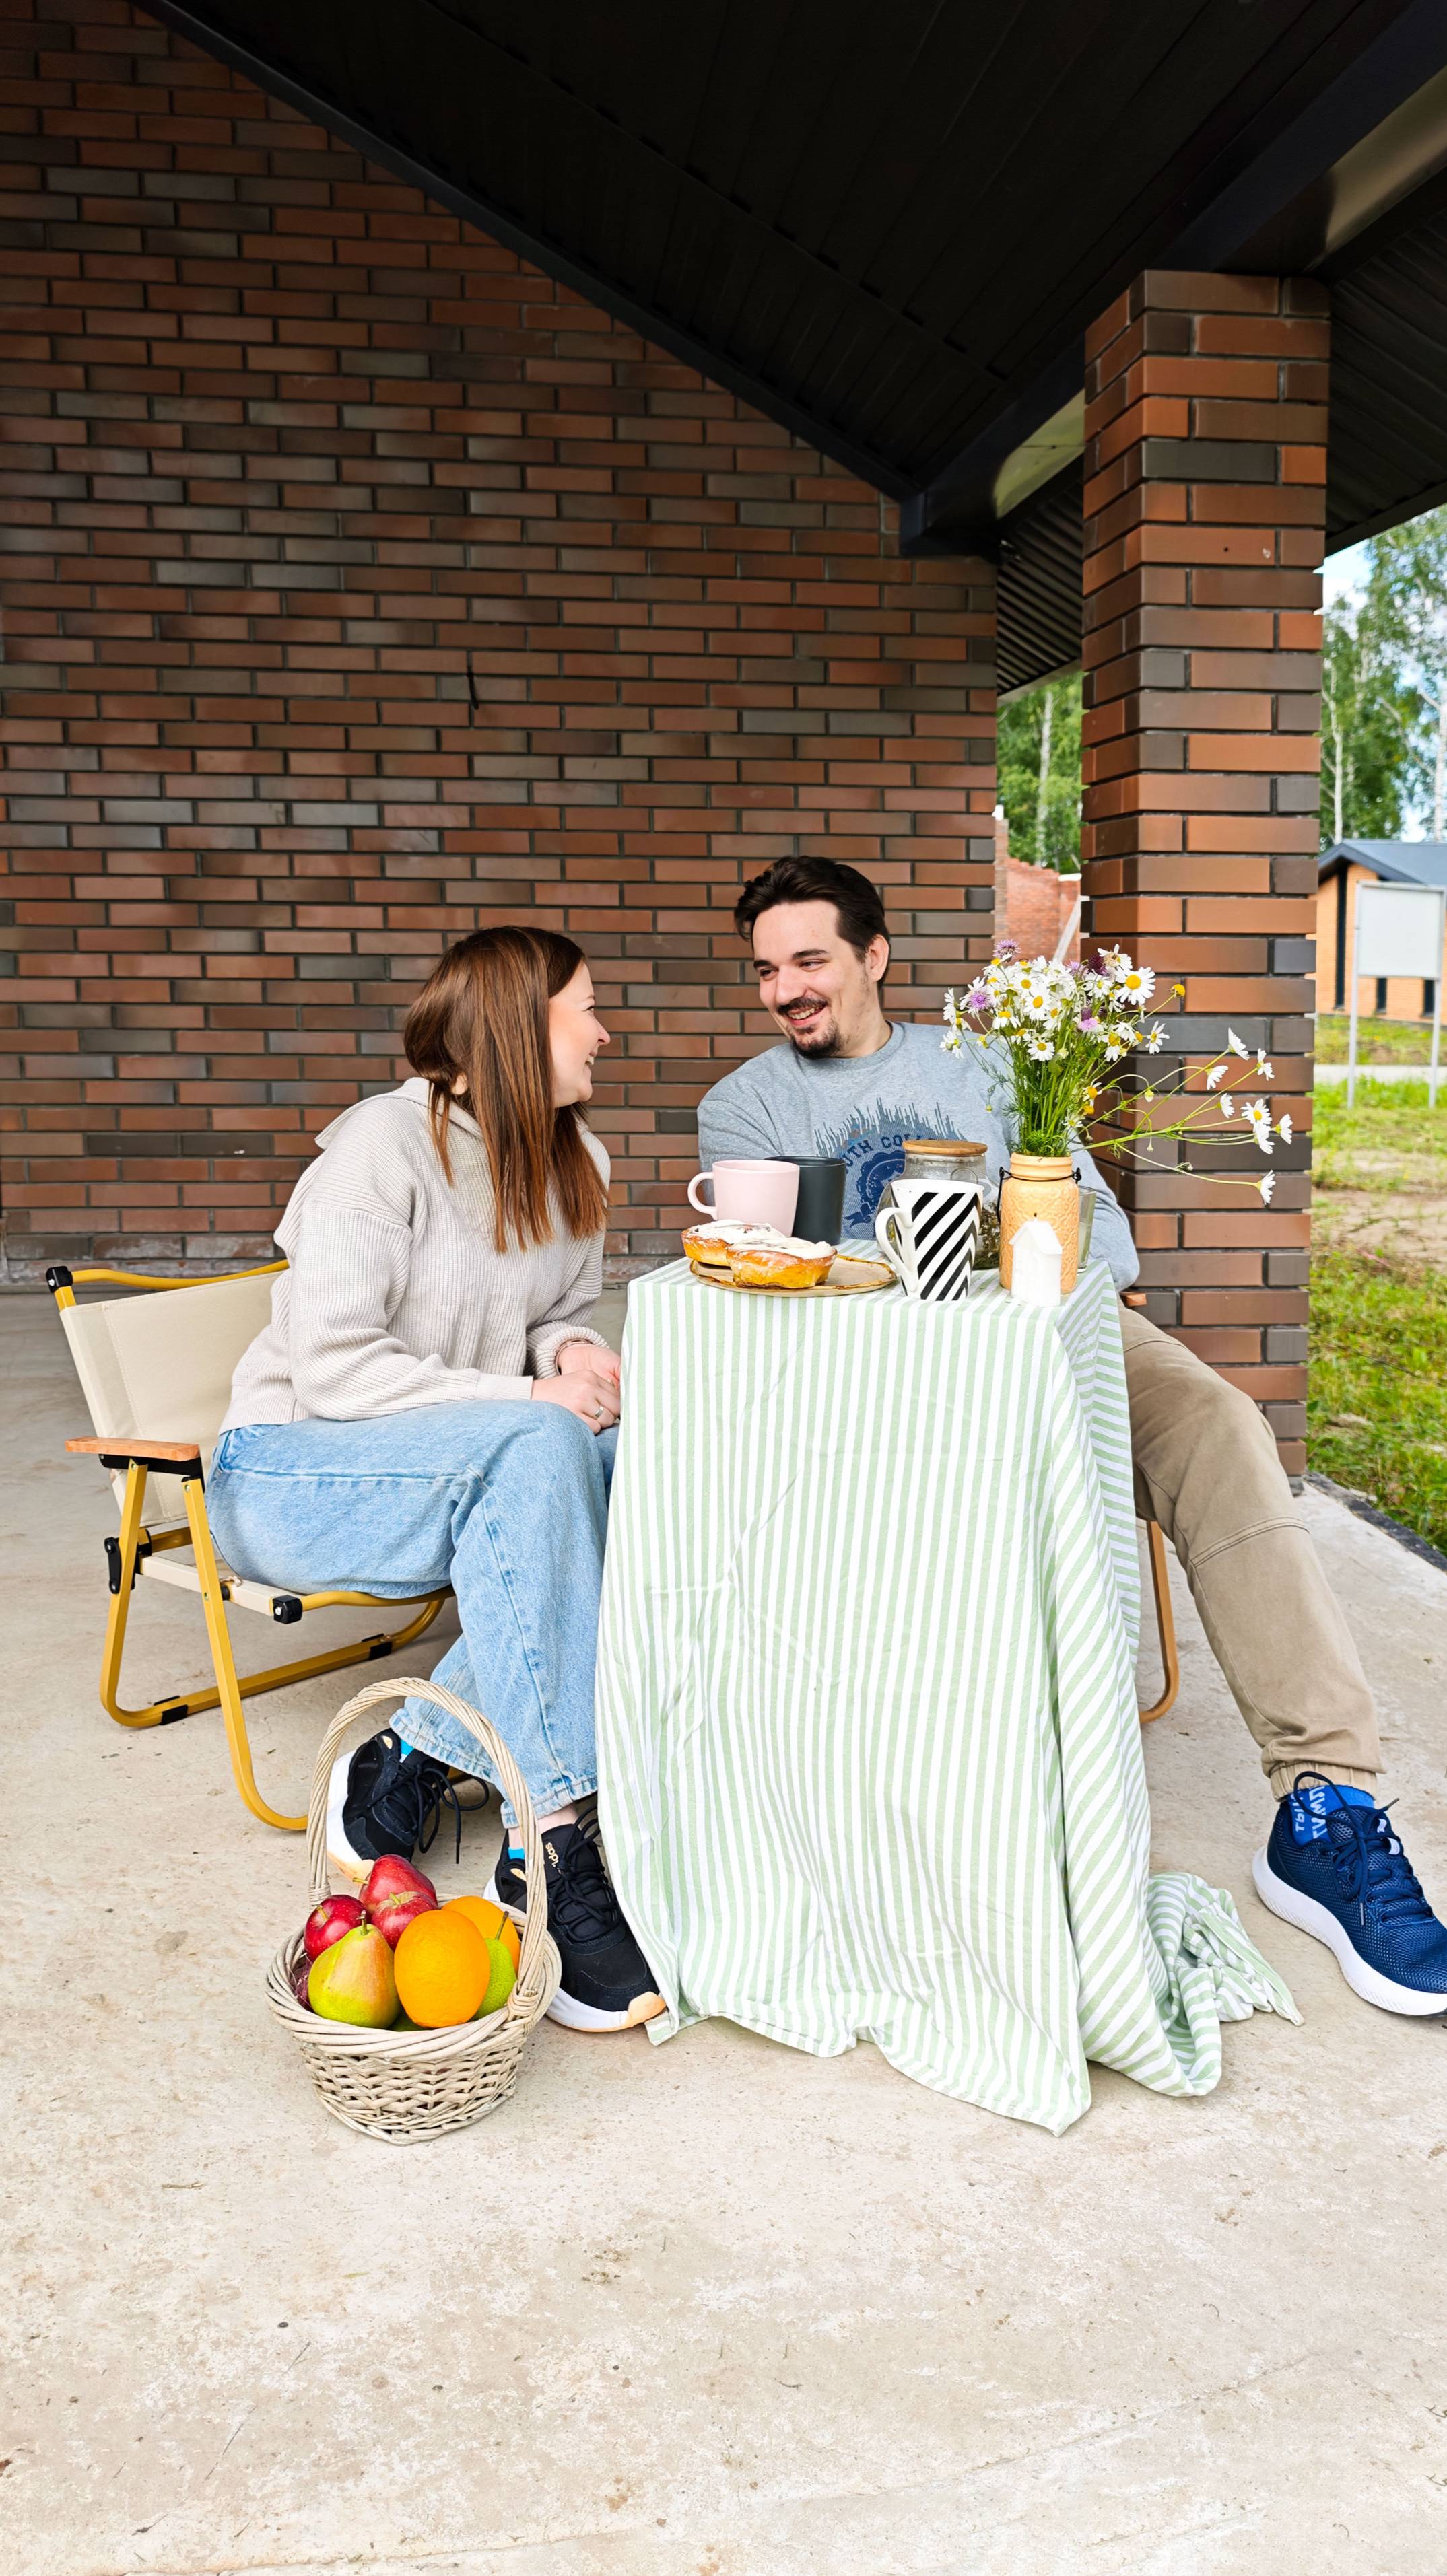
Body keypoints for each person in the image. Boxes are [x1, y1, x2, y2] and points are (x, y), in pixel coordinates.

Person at [698, 854, 1447, 2019]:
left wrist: (994, 1258)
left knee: (1220, 1423)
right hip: (878, 1382)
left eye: (809, 960)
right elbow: (776, 1273)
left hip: (1055, 1339)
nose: (785, 989)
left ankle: (1325, 1804)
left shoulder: (990, 1064)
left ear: (873, 956)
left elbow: (1106, 1233)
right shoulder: (744, 1108)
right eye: (764, 971)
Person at [207, 926, 664, 2034]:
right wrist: (532, 1398)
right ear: (517, 1027)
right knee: (544, 1446)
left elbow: (552, 1313)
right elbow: (333, 1369)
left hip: (456, 1469)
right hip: (294, 1474)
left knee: (643, 1462)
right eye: (585, 1008)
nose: (604, 1033)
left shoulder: (576, 1159)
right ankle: (548, 1840)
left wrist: (574, 1354)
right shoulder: (381, 1146)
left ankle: (413, 1749)